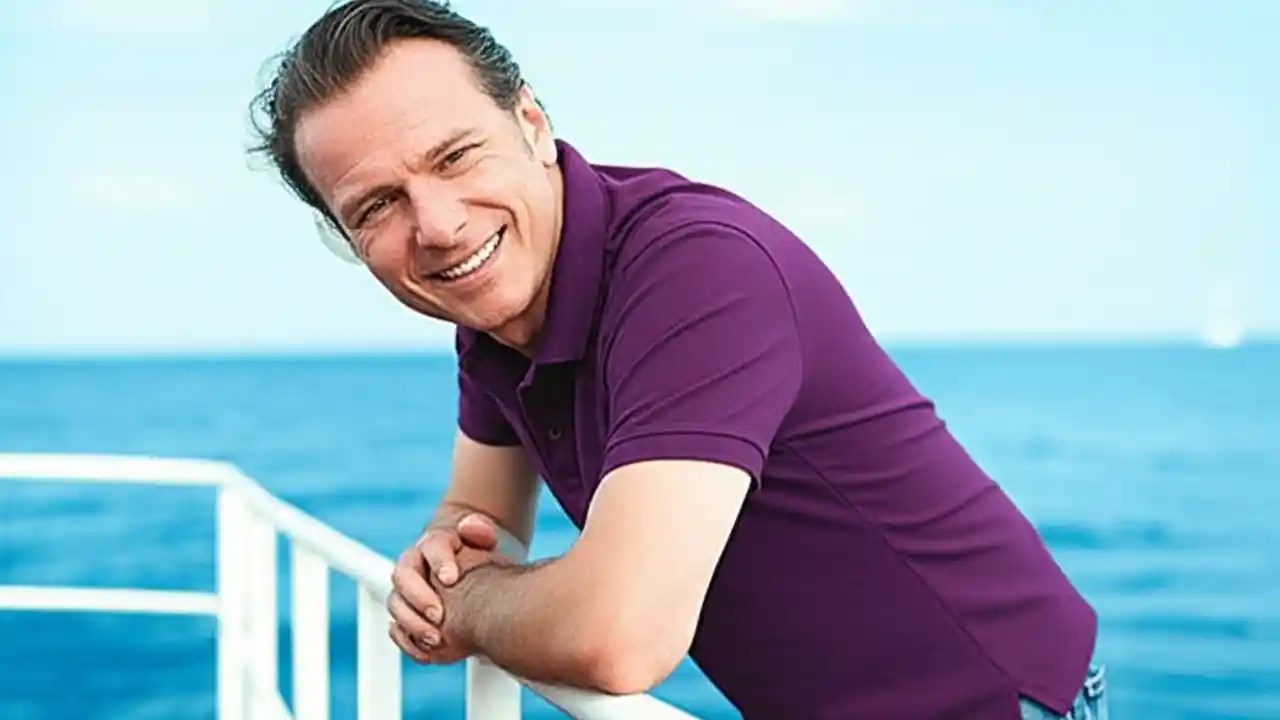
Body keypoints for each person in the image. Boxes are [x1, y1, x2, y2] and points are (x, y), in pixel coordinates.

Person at [248, 1, 1107, 717]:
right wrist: (441, 558)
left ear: (532, 123)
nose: (436, 224)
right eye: (377, 205)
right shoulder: (493, 311)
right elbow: (480, 504)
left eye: (455, 155)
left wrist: (467, 607)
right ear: (346, 236)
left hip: (993, 700)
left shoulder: (696, 268)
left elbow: (621, 634)